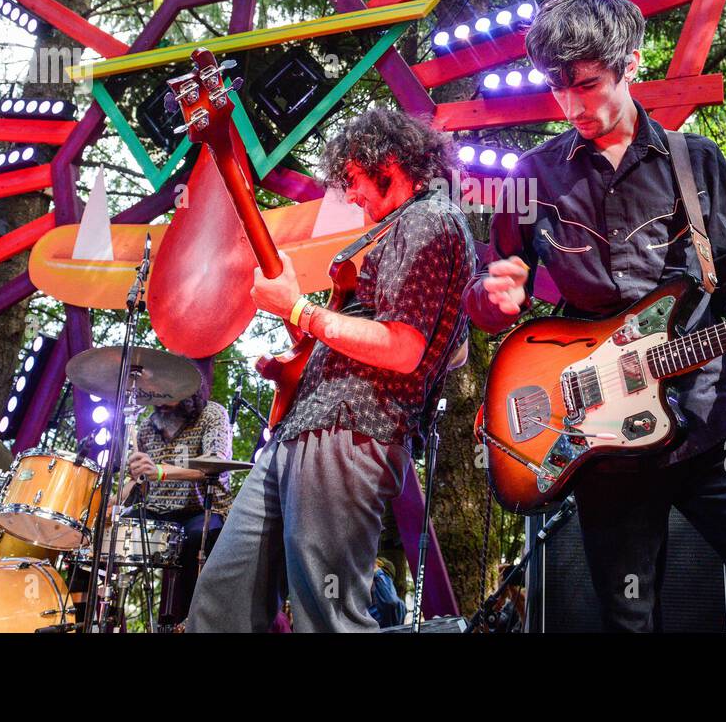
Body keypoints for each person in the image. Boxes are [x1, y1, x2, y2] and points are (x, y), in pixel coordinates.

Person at [465, 0, 726, 632]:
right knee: (628, 622)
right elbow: (495, 293)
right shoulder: (528, 177)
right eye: (556, 87)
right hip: (602, 441)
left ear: (631, 62)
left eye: (585, 84)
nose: (569, 104)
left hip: (709, 422)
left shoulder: (696, 163)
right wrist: (493, 297)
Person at [187, 106, 473, 633]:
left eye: (352, 179)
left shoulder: (429, 221)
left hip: (352, 432)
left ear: (386, 160)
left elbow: (402, 347)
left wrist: (298, 309)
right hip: (302, 432)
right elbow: (356, 336)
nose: (351, 194)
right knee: (219, 606)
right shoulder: (393, 231)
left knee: (328, 619)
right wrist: (299, 359)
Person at [122, 372, 232, 625]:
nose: (159, 401)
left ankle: (188, 624)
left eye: (167, 393)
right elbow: (137, 477)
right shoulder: (148, 426)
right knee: (106, 535)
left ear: (187, 391)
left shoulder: (212, 414)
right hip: (157, 511)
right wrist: (125, 489)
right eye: (156, 394)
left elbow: (214, 464)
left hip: (202, 510)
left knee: (196, 540)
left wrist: (159, 471)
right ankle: (96, 619)